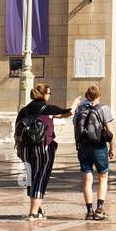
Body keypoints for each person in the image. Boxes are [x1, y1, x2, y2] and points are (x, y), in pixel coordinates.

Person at [14, 82, 75, 220]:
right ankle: (33, 212)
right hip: (43, 147)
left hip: (26, 149)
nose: (49, 95)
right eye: (49, 93)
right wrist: (76, 103)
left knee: (31, 178)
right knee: (41, 177)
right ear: (43, 95)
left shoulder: (24, 110)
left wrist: (18, 148)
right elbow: (68, 112)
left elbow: (17, 129)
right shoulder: (48, 109)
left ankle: (37, 208)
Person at [73, 83, 115, 221]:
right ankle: (99, 209)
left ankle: (89, 211)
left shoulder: (79, 109)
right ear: (99, 95)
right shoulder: (104, 109)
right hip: (99, 147)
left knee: (87, 179)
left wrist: (78, 144)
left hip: (84, 147)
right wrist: (112, 148)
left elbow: (76, 128)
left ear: (86, 95)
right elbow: (110, 132)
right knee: (103, 176)